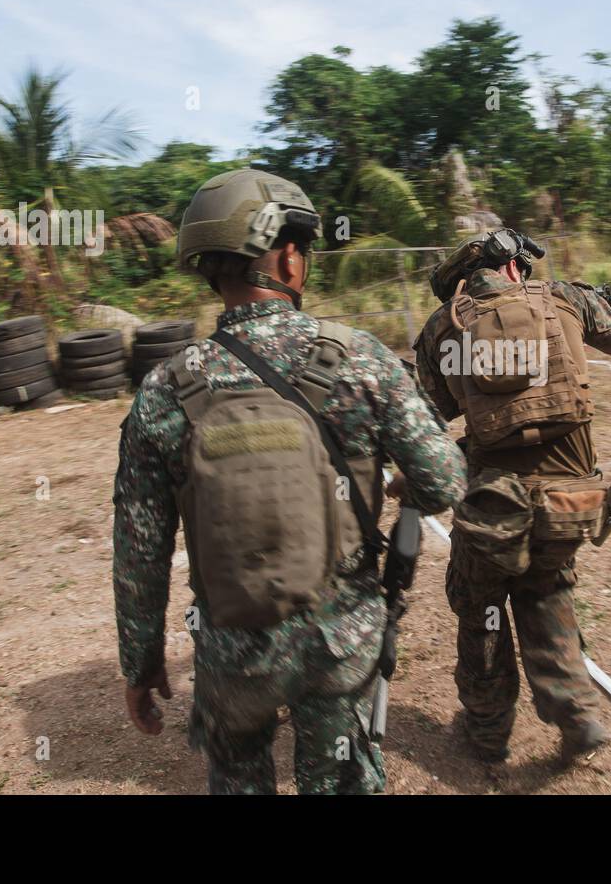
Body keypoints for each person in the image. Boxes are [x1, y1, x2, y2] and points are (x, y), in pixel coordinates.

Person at [112, 168, 466, 794]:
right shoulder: (358, 356)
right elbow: (442, 484)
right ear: (286, 255)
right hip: (341, 640)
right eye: (300, 245)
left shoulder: (167, 388)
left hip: (231, 650)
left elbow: (140, 552)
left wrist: (140, 666)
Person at [412, 229, 611, 762]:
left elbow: (430, 414)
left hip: (492, 507)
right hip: (572, 502)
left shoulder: (441, 328)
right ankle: (577, 714)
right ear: (515, 267)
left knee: (483, 611)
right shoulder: (565, 298)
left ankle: (489, 733)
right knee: (547, 594)